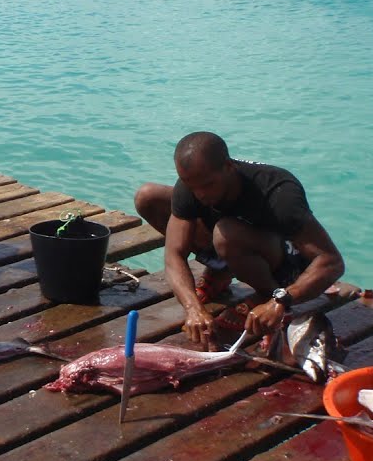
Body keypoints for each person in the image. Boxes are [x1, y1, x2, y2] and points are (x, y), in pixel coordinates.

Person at [135, 132, 345, 351]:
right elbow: (174, 254)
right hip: (236, 241)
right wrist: (192, 308)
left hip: (285, 262)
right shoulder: (192, 186)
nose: (200, 194)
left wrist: (281, 300)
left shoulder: (280, 193)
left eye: (207, 185)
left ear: (228, 166)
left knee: (226, 233)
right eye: (191, 186)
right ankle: (220, 272)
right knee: (149, 196)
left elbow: (331, 261)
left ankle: (267, 296)